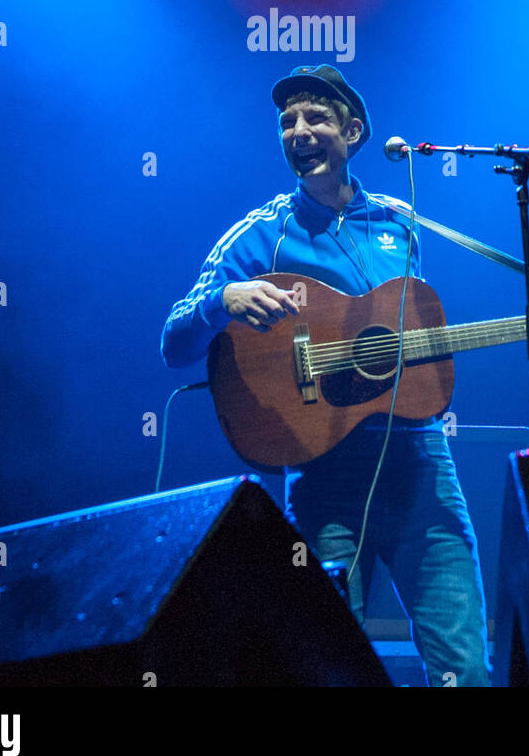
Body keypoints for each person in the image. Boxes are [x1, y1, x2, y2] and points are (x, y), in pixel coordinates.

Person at [161, 64, 491, 687]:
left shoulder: (400, 222)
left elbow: (404, 345)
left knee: (465, 668)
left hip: (420, 462)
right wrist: (222, 300)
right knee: (325, 672)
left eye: (315, 118)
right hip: (322, 472)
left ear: (355, 132)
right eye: (288, 122)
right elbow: (173, 341)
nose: (299, 131)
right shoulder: (261, 233)